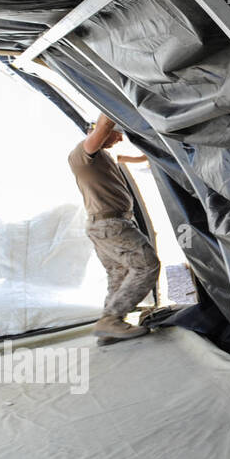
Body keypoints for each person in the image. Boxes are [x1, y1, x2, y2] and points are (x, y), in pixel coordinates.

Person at [68, 114, 160, 343]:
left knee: (119, 273)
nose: (120, 138)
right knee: (146, 265)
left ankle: (109, 329)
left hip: (104, 225)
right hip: (111, 225)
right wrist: (112, 97)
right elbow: (105, 122)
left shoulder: (102, 156)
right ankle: (111, 319)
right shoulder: (84, 152)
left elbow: (136, 157)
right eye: (119, 132)